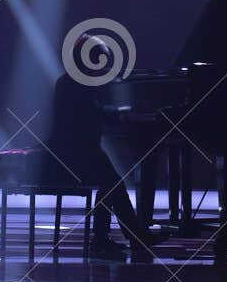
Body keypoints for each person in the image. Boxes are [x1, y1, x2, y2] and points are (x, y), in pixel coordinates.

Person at [48, 68, 162, 262]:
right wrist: (123, 111)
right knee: (112, 183)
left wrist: (120, 112)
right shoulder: (72, 84)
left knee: (111, 183)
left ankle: (107, 237)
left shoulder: (72, 82)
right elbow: (92, 114)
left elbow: (93, 113)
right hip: (71, 156)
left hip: (79, 151)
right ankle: (129, 237)